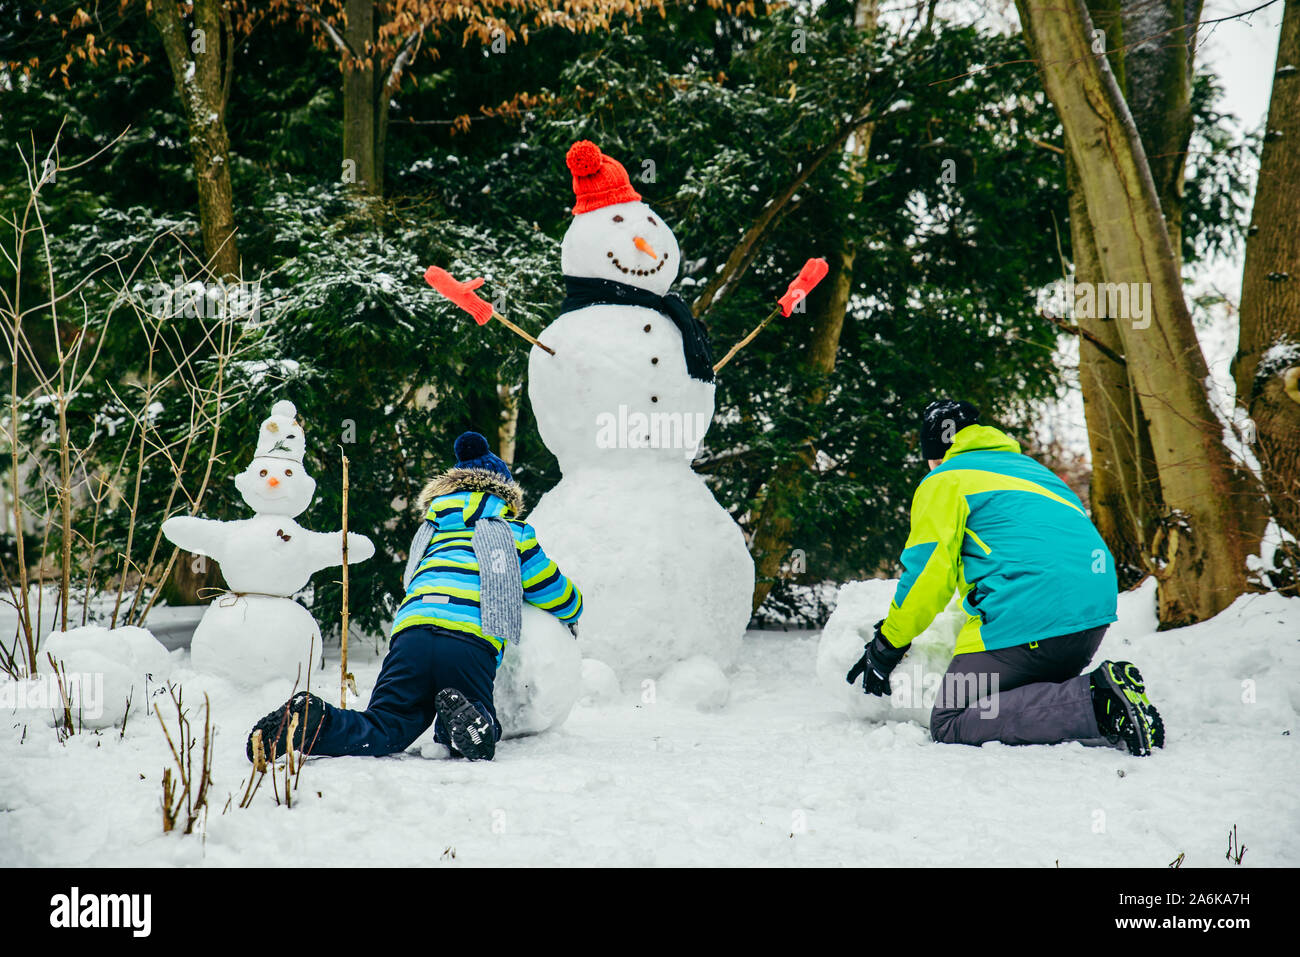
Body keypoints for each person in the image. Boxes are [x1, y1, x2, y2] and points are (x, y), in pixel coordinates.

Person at [846, 399, 1165, 756]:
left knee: (950, 719)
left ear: (935, 453)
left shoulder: (944, 480)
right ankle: (1095, 694)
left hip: (1029, 618)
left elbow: (928, 576)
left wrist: (887, 645)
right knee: (1010, 693)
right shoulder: (1034, 472)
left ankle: (1098, 701)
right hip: (1091, 620)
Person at [246, 432, 583, 762]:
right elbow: (550, 588)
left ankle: (315, 722)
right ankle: (465, 726)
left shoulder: (431, 532)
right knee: (480, 719)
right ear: (504, 497)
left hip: (412, 637)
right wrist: (574, 608)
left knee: (385, 724)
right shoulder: (513, 533)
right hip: (468, 640)